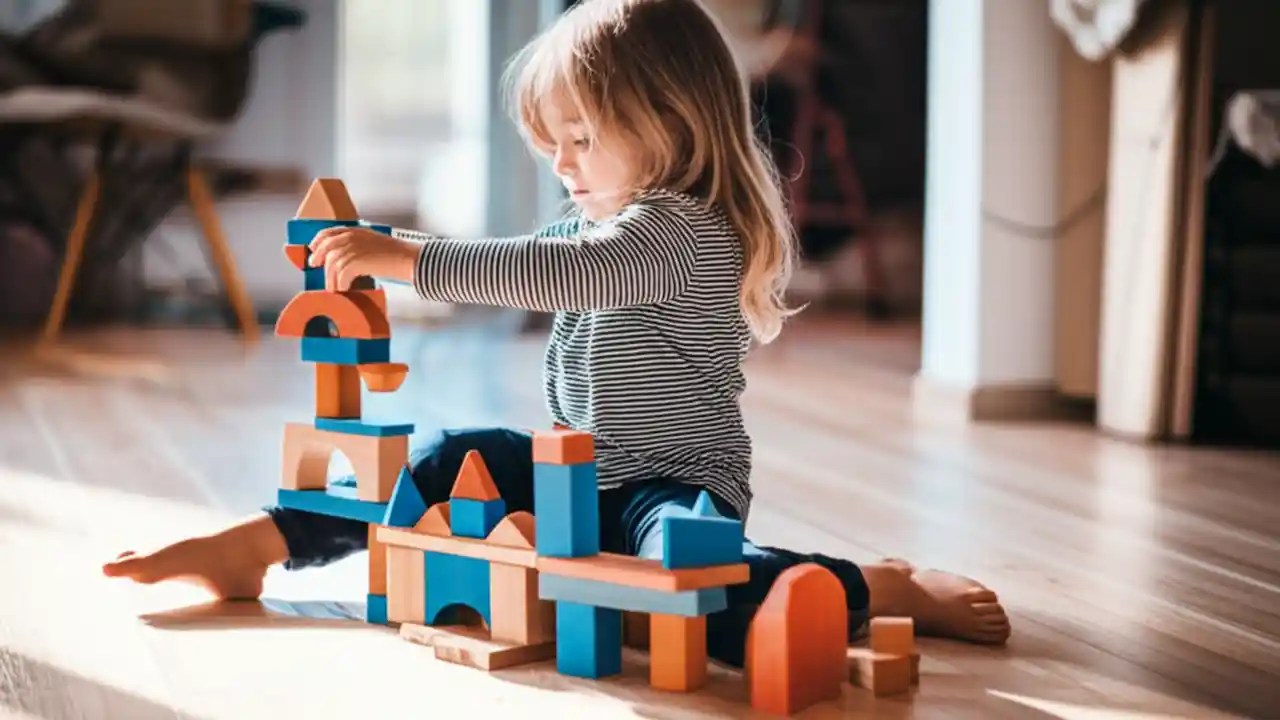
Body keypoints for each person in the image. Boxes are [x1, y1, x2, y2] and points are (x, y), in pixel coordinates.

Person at [103, 0, 1010, 666]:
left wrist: (404, 254)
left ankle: (871, 586)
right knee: (443, 454)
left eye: (581, 139)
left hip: (671, 488)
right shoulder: (597, 226)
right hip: (571, 468)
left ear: (667, 122)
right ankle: (260, 547)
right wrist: (401, 278)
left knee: (691, 596)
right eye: (552, 144)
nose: (560, 164)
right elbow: (517, 265)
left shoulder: (678, 232)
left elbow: (545, 273)